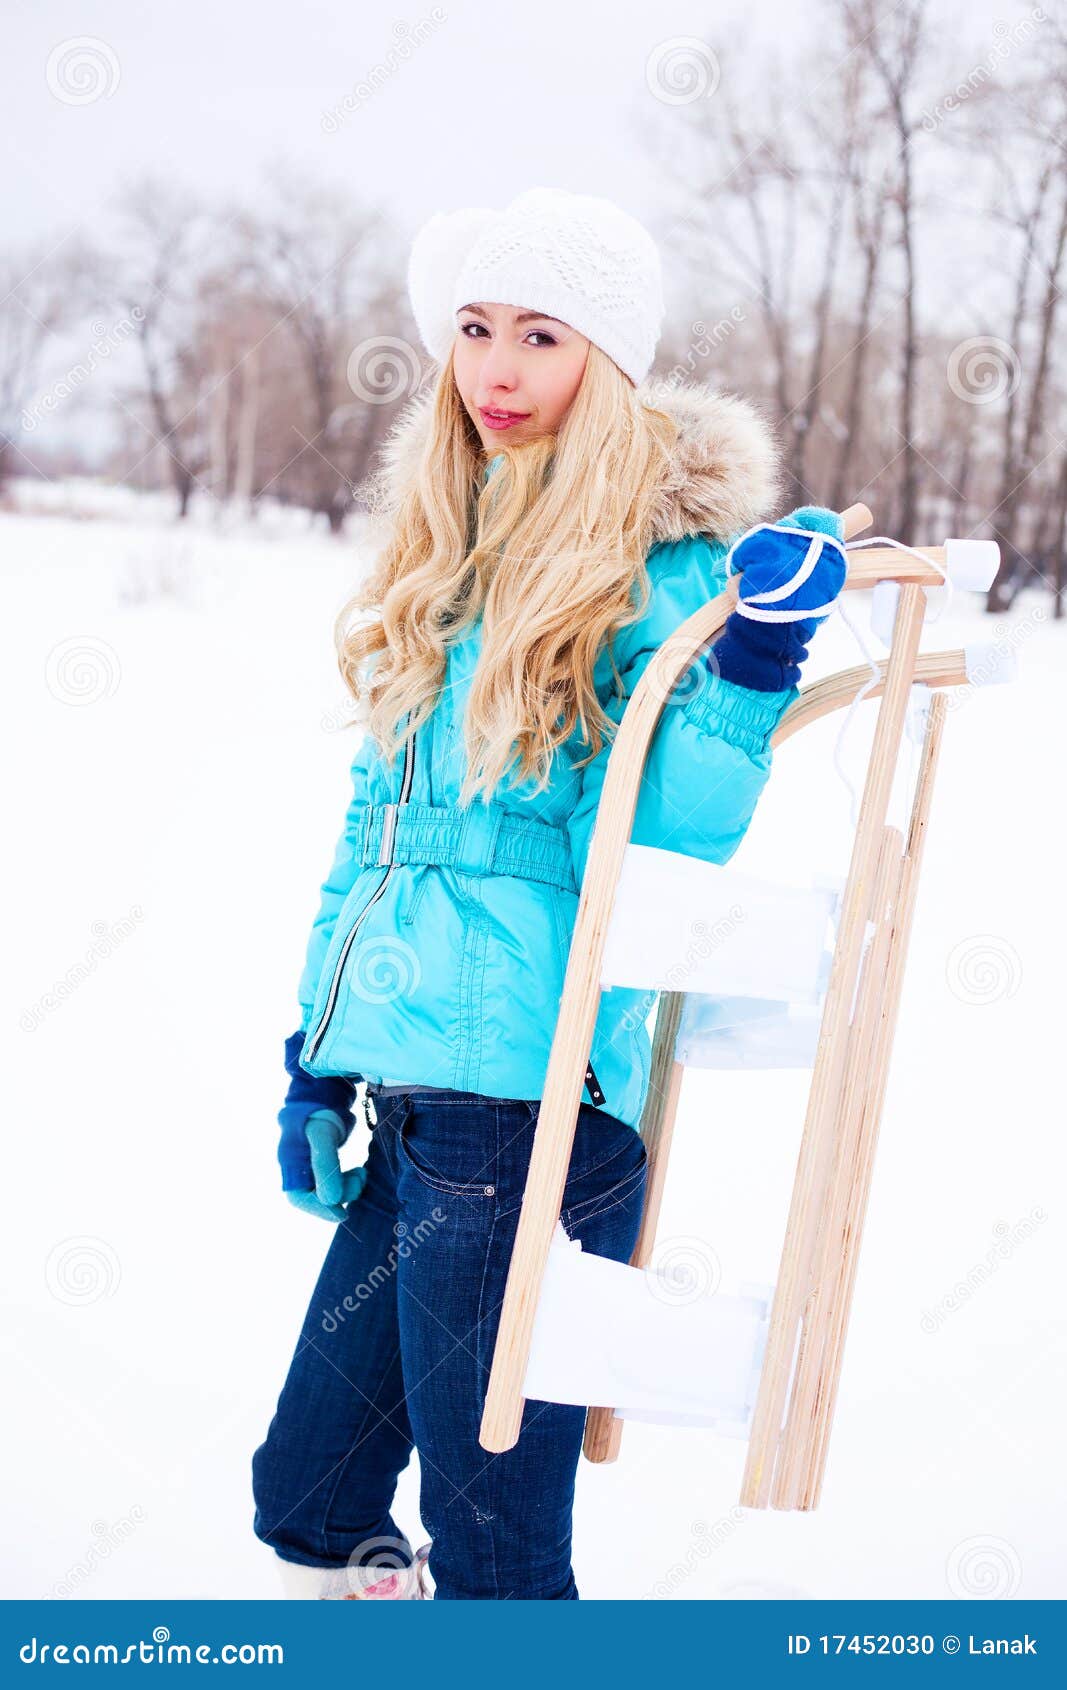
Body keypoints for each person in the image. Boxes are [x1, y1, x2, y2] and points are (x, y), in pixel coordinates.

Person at [251, 186, 848, 1601]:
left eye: (541, 336)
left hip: (529, 1111)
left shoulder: (659, 566)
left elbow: (661, 840)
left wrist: (754, 662)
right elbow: (373, 829)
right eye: (474, 329)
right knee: (310, 1493)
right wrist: (317, 1060)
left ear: (611, 364)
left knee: (498, 1553)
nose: (498, 370)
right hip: (415, 1101)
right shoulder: (449, 552)